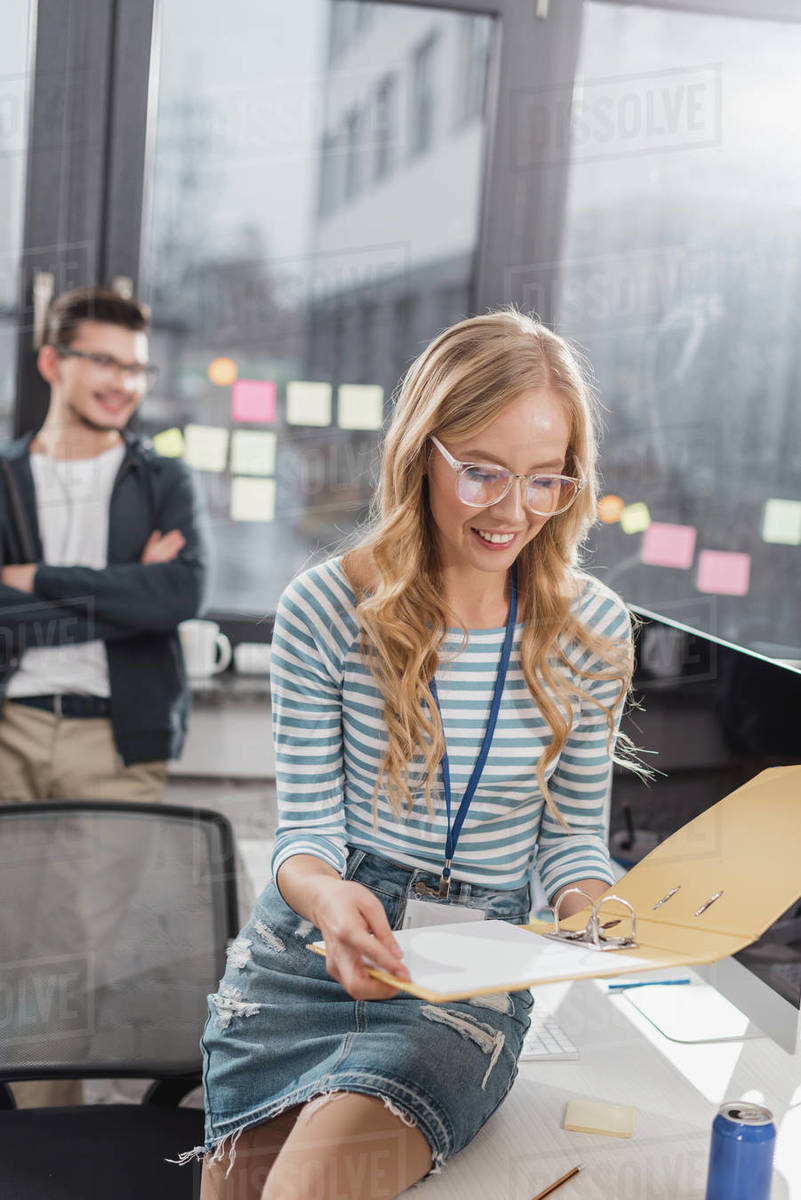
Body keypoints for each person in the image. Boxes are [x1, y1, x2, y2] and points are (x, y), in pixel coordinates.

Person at [187, 310, 647, 1200]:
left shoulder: (592, 630)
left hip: (467, 974)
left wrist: (595, 910)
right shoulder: (324, 607)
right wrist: (326, 899)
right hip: (314, 952)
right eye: (481, 472)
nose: (513, 510)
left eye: (545, 480)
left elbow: (573, 839)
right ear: (420, 453)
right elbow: (307, 831)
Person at [0, 286, 207, 1107]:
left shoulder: (163, 481)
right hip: (10, 726)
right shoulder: (6, 478)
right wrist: (120, 589)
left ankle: (46, 1154)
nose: (124, 382)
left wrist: (37, 580)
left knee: (67, 960)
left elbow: (176, 595)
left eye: (136, 367)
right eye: (104, 361)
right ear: (53, 361)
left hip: (114, 745)